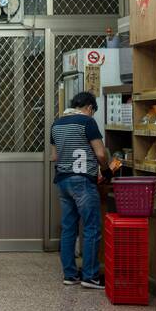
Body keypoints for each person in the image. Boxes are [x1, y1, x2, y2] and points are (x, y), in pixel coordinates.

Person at [51, 90, 112, 288]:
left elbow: (54, 157)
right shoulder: (87, 122)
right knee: (92, 228)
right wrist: (106, 170)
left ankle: (70, 274)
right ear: (89, 107)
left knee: (69, 228)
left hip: (63, 181)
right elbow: (101, 153)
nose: (92, 114)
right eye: (92, 111)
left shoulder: (56, 124)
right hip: (83, 182)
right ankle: (91, 276)